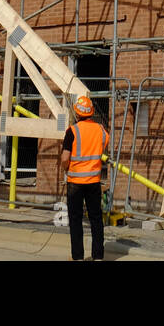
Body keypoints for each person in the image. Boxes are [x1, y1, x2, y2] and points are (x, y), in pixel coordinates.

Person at [61, 95, 110, 261]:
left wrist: (65, 168)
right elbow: (102, 147)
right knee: (96, 219)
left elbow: (65, 158)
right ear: (92, 112)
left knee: (75, 221)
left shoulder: (72, 131)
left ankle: (78, 257)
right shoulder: (101, 130)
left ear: (76, 113)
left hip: (75, 182)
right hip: (94, 182)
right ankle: (98, 257)